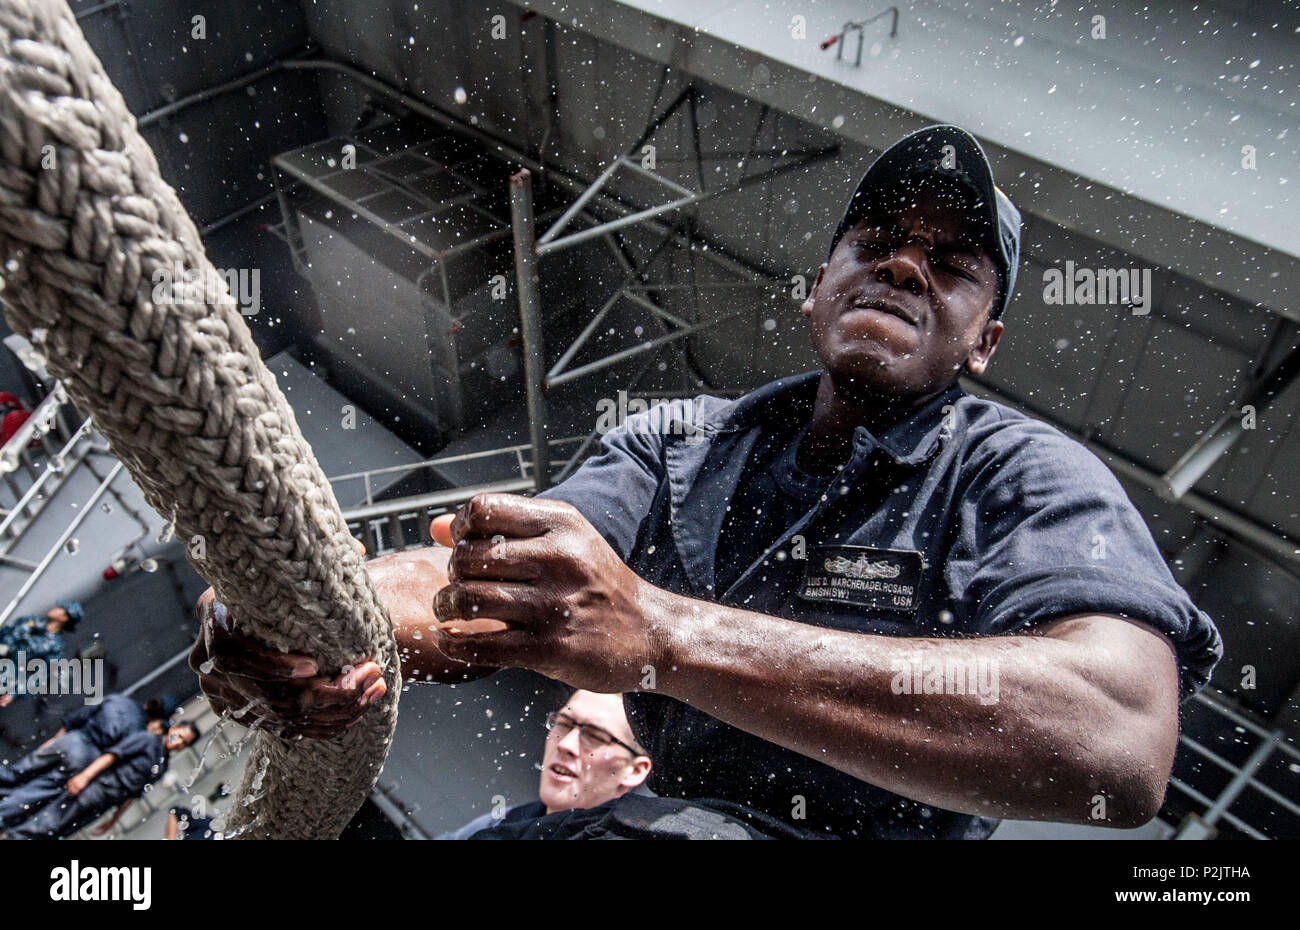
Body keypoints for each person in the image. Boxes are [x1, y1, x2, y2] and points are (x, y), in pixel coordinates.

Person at [191, 125, 1222, 839]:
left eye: (950, 264)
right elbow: (493, 577)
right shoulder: (677, 442)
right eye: (873, 241)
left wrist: (663, 636)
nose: (903, 267)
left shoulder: (1023, 475)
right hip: (639, 822)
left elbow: (1116, 740)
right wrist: (310, 614)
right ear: (819, 286)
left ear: (985, 340)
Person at [436, 689, 651, 839]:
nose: (565, 744)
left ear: (634, 771)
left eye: (595, 737)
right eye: (564, 724)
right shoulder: (504, 821)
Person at [0, 715, 199, 840]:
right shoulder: (147, 740)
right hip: (96, 786)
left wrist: (114, 820)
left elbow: (134, 795)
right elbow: (113, 755)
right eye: (179, 736)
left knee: (60, 829)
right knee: (50, 820)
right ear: (173, 729)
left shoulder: (162, 765)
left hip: (105, 801)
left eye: (184, 743)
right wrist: (85, 776)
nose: (178, 742)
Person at [0, 600, 83, 707]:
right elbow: (6, 631)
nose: (55, 608)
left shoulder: (55, 647)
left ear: (64, 617)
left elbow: (37, 678)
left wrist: (14, 694)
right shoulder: (31, 621)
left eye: (60, 608)